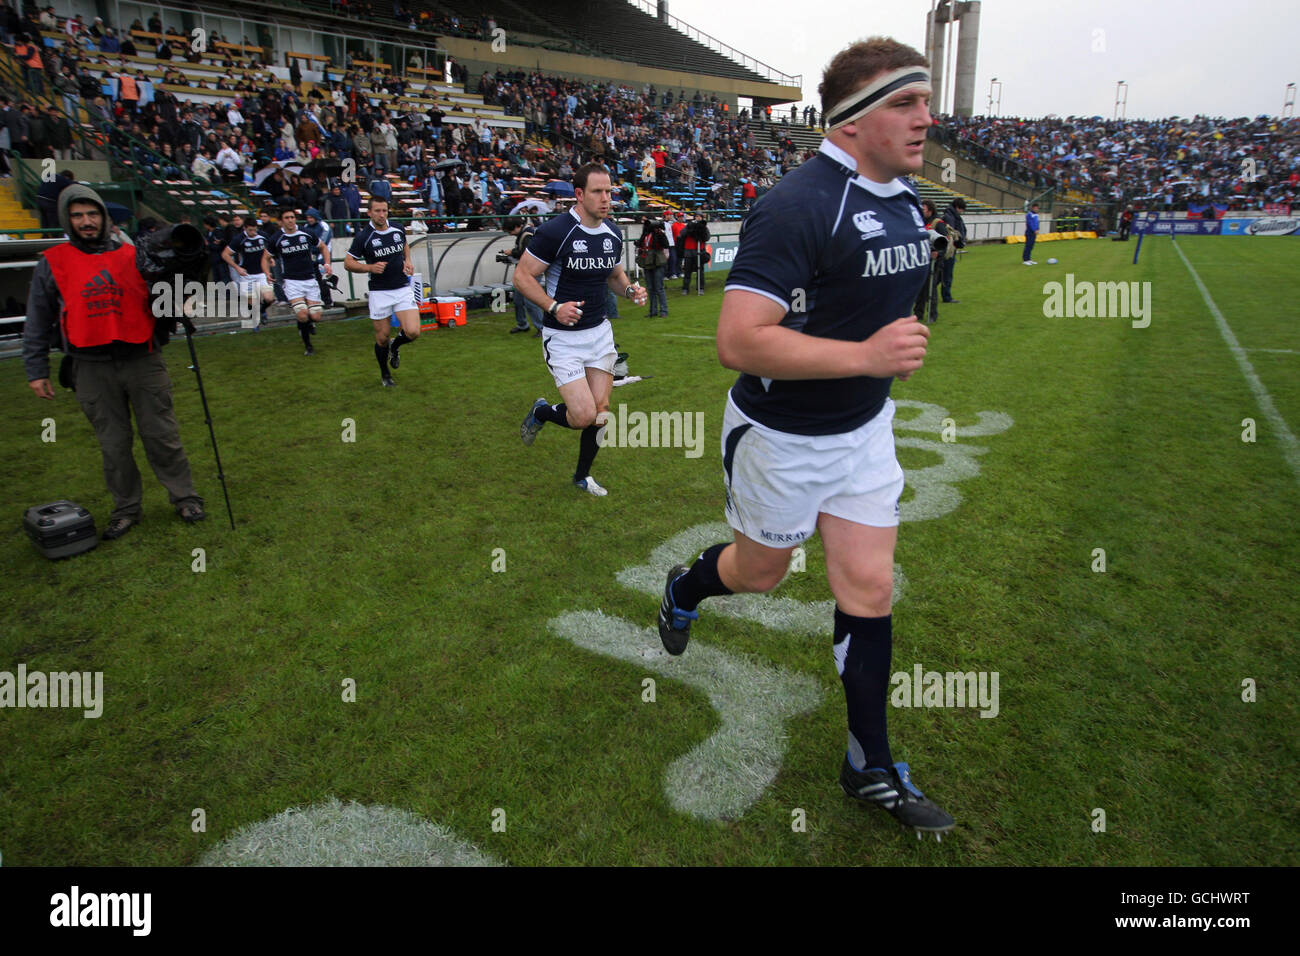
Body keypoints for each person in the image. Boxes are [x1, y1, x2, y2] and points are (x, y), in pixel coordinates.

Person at [655, 37, 954, 837]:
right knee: (760, 576)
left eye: (924, 101)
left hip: (863, 431)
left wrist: (875, 353)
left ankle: (869, 765)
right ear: (853, 120)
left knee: (869, 587)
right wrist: (863, 354)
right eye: (906, 102)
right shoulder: (797, 203)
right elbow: (740, 339)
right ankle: (686, 589)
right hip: (781, 438)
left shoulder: (901, 198)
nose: (927, 117)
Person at [23, 185, 206, 539]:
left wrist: (180, 296)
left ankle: (185, 497)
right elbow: (37, 318)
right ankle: (126, 509)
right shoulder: (52, 261)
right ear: (66, 219)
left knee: (162, 435)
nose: (86, 222)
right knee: (114, 444)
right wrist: (36, 370)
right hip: (90, 366)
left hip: (142, 357)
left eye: (92, 214)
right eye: (77, 215)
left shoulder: (135, 255)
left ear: (104, 217)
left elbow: (165, 298)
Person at [514, 163, 646, 497]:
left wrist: (630, 291)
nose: (606, 199)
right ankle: (542, 411)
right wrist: (554, 307)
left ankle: (582, 477)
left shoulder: (613, 233)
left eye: (609, 191)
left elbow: (615, 277)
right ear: (579, 195)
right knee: (583, 414)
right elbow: (522, 276)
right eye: (598, 192)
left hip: (599, 334)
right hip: (563, 339)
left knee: (601, 414)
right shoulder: (556, 232)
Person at [343, 197, 417, 387]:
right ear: (369, 213)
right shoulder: (363, 236)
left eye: (384, 210)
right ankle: (385, 374)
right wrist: (369, 268)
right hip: (380, 292)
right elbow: (348, 263)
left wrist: (407, 260)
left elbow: (404, 244)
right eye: (377, 211)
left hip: (401, 287)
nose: (382, 215)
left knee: (413, 331)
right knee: (382, 337)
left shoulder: (398, 228)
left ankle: (396, 345)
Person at [263, 208, 331, 355]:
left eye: (292, 217)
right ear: (281, 221)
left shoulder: (306, 233)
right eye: (287, 217)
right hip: (292, 281)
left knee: (316, 316)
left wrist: (327, 264)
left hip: (310, 279)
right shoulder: (277, 238)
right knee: (302, 314)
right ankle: (308, 347)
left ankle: (305, 325)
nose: (290, 220)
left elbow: (323, 247)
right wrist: (267, 272)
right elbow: (265, 258)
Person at [222, 216, 275, 327]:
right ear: (245, 228)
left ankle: (262, 310)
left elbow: (269, 249)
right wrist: (237, 268)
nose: (253, 232)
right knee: (251, 302)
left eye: (255, 229)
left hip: (262, 273)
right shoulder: (239, 239)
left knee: (269, 298)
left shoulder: (263, 236)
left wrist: (270, 259)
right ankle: (254, 321)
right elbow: (225, 254)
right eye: (250, 230)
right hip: (247, 275)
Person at [503, 216, 544, 336]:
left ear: (517, 227)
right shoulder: (525, 233)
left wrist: (512, 252)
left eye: (510, 231)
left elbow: (527, 253)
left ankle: (541, 328)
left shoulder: (527, 235)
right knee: (518, 300)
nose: (510, 234)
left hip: (532, 272)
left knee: (530, 301)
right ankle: (522, 325)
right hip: (524, 271)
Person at [637, 217, 670, 317]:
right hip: (647, 261)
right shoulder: (645, 234)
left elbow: (666, 244)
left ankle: (664, 310)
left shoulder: (659, 234)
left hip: (657, 262)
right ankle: (653, 311)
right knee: (650, 288)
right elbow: (640, 244)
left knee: (659, 287)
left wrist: (659, 232)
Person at [939, 197, 966, 303]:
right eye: (962, 209)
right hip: (949, 248)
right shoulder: (950, 217)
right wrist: (958, 242)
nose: (962, 212)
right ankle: (946, 296)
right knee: (946, 274)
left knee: (940, 274)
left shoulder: (951, 216)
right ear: (957, 207)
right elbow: (952, 233)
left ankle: (927, 294)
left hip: (950, 247)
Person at [681, 212, 710, 294]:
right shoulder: (689, 225)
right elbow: (682, 234)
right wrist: (690, 229)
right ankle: (685, 288)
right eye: (696, 216)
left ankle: (700, 288)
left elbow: (707, 237)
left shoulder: (704, 227)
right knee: (687, 271)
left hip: (699, 251)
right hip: (688, 251)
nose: (698, 218)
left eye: (699, 216)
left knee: (700, 270)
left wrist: (701, 231)